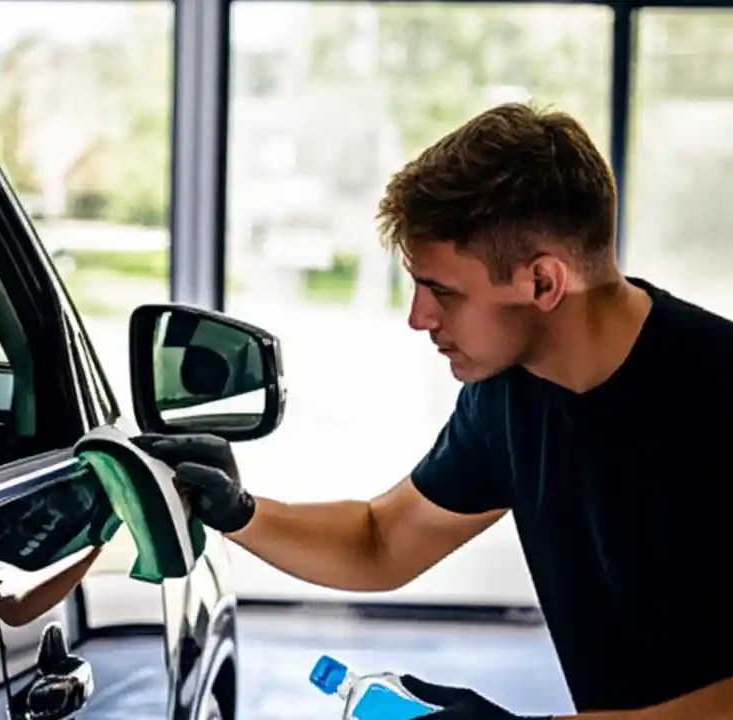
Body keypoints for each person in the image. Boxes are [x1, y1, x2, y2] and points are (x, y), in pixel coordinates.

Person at [135, 103, 733, 719]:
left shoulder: (716, 392)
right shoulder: (510, 395)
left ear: (544, 283)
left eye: (443, 292)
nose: (419, 318)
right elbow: (381, 541)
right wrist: (241, 512)